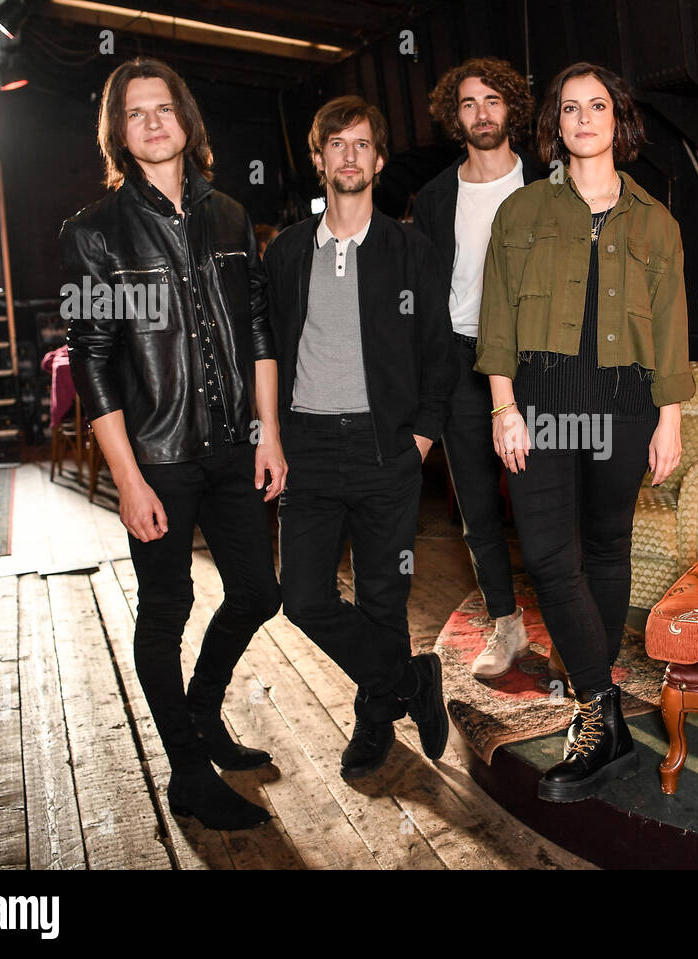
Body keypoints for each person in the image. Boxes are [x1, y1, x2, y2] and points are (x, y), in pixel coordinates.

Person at [61, 58, 284, 831]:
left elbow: (257, 329)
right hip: (156, 456)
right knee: (168, 606)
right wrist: (127, 479)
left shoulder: (229, 215)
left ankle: (201, 712)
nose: (152, 122)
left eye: (163, 108)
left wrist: (270, 435)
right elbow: (90, 361)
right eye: (134, 113)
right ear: (118, 134)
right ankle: (188, 770)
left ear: (187, 119)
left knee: (261, 591)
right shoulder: (92, 234)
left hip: (232, 447)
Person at [477, 62, 694, 803]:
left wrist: (669, 420)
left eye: (597, 105)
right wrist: (504, 406)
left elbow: (670, 331)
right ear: (557, 126)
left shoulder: (657, 221)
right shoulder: (522, 212)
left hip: (625, 407)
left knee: (605, 546)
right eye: (570, 108)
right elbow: (498, 315)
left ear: (617, 120)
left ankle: (594, 718)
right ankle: (603, 709)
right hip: (540, 402)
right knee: (545, 553)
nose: (584, 117)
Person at [264, 96, 455, 781]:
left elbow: (440, 353)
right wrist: (271, 436)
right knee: (304, 597)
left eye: (362, 144)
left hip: (387, 452)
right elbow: (266, 352)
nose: (349, 156)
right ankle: (409, 679)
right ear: (318, 160)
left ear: (377, 160)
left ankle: (375, 721)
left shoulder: (410, 251)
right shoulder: (285, 252)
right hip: (309, 450)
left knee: (383, 596)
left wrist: (423, 439)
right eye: (335, 145)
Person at [412, 57, 548, 681]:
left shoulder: (548, 184)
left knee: (540, 499)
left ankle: (566, 622)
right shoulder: (438, 197)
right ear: (455, 116)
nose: (481, 114)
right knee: (475, 507)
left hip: (536, 364)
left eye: (492, 101)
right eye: (468, 104)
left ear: (511, 109)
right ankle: (507, 624)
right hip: (462, 362)